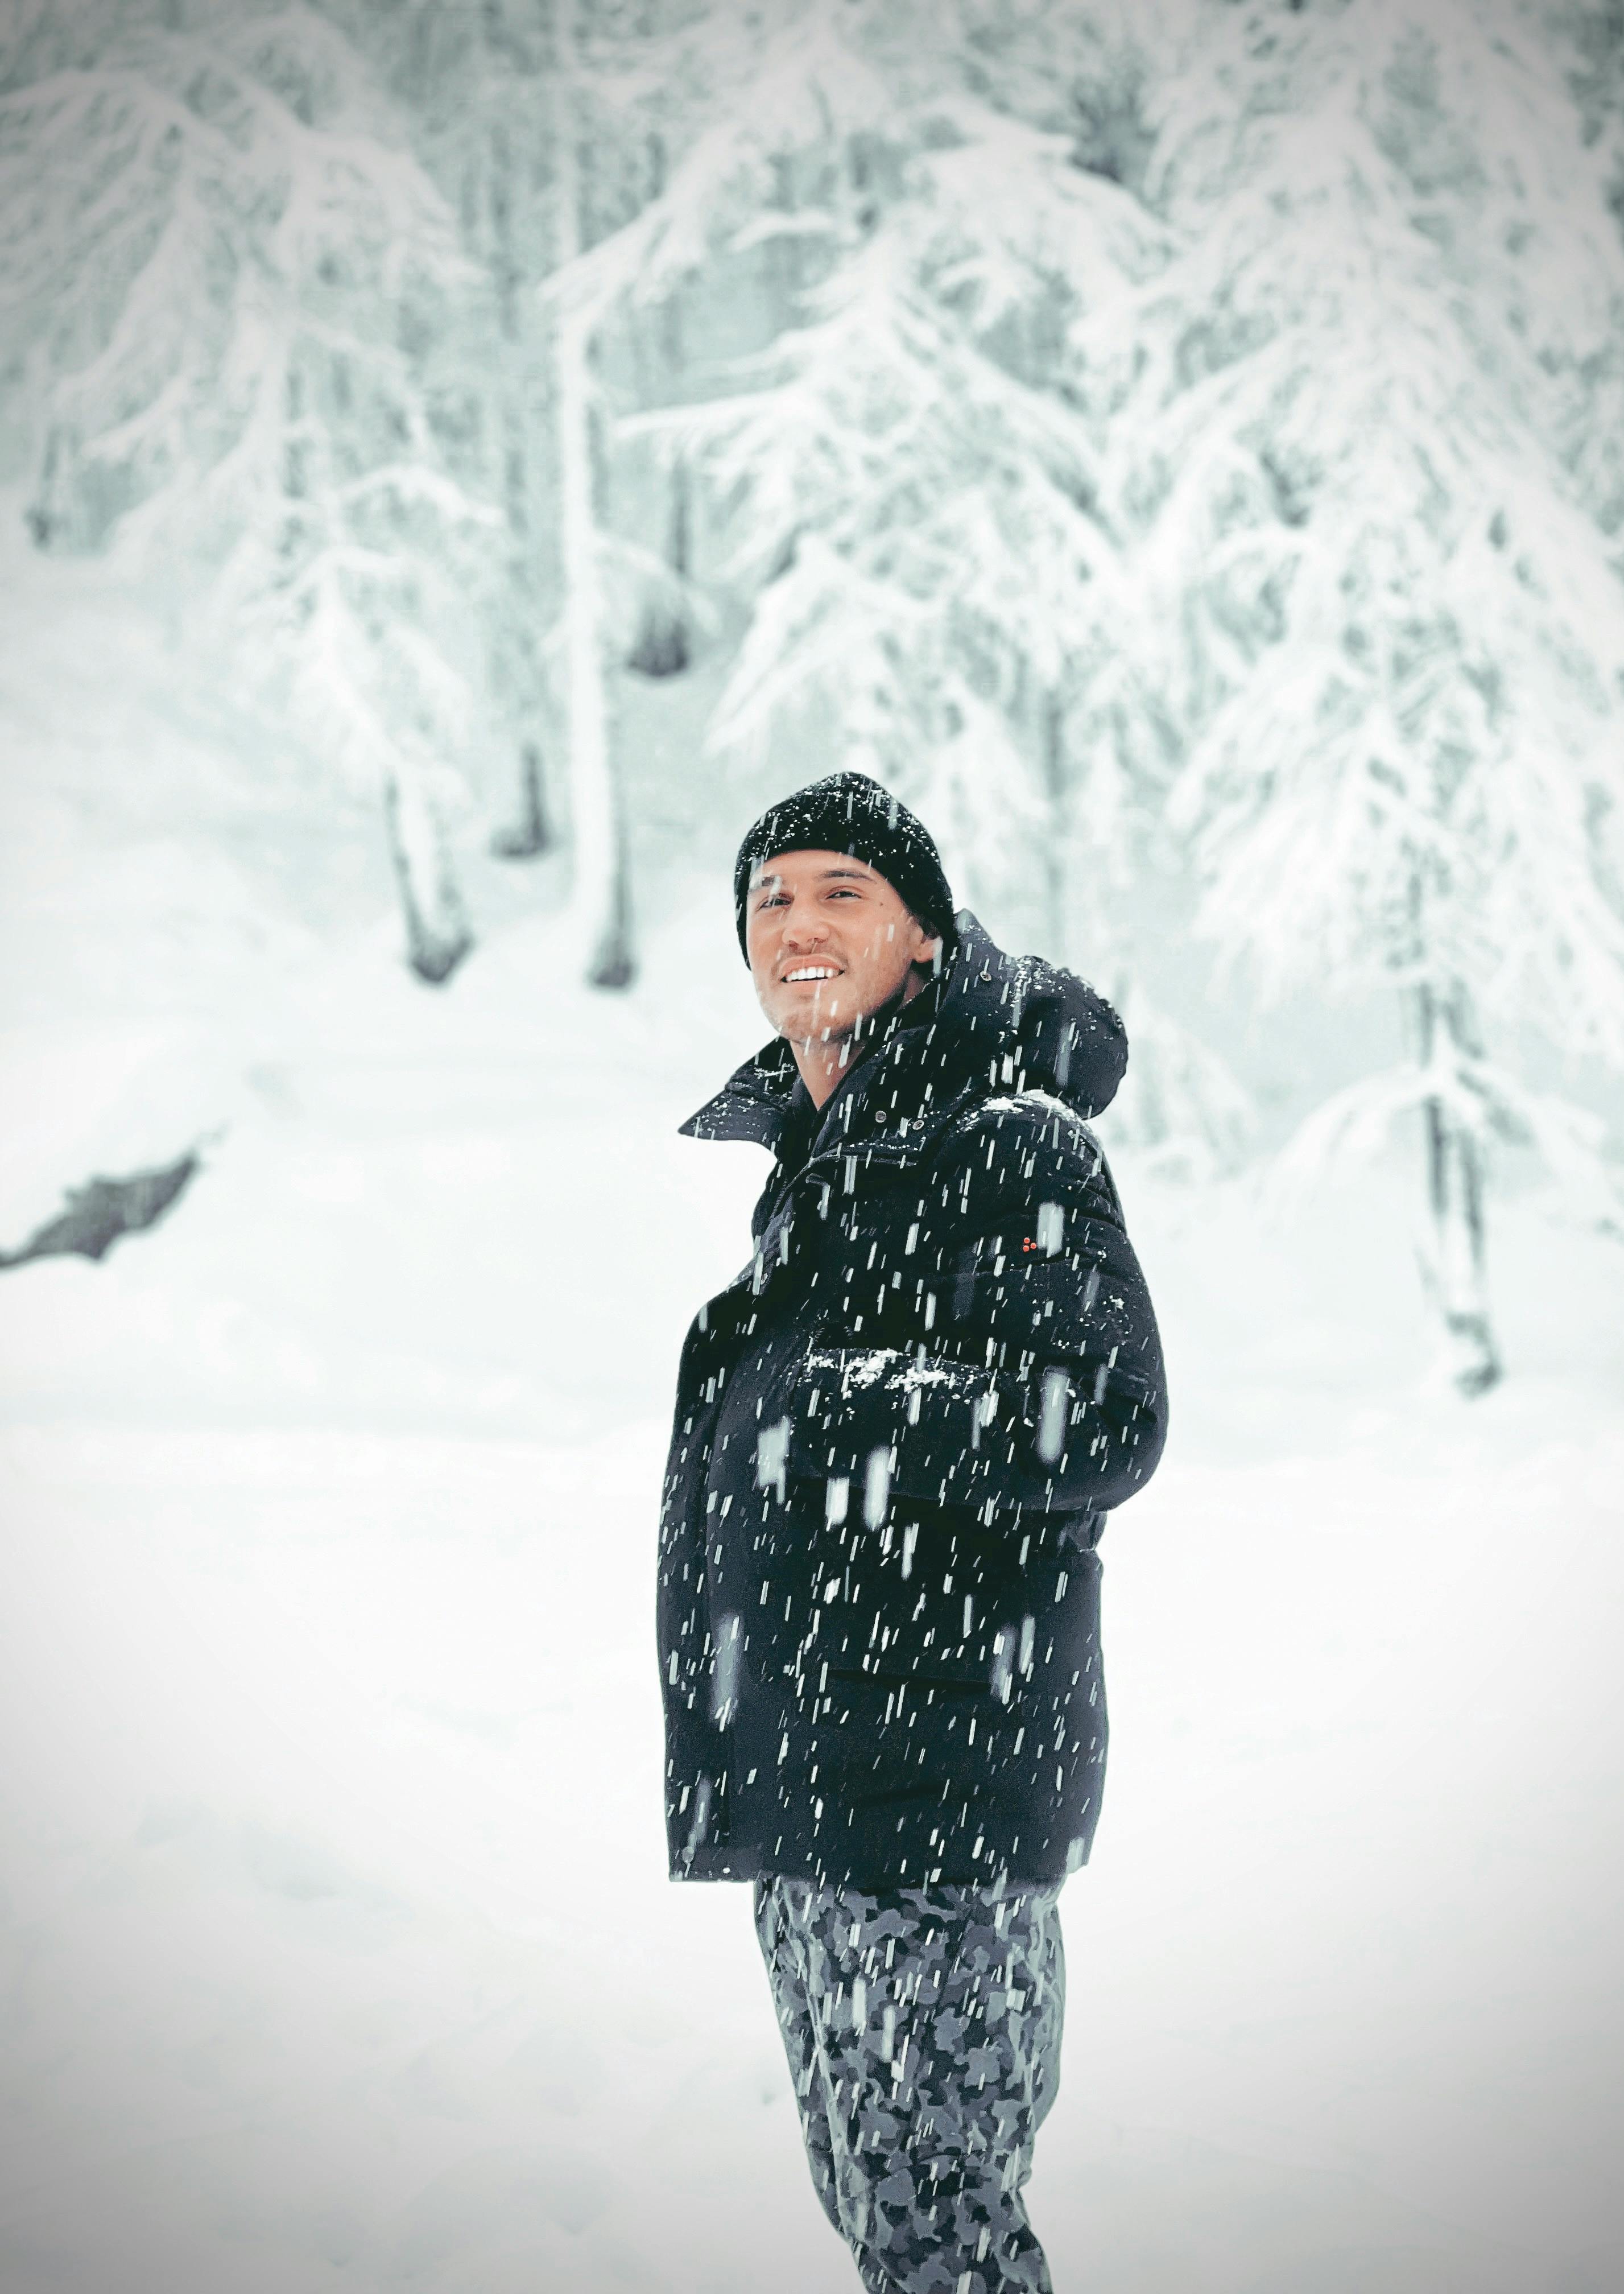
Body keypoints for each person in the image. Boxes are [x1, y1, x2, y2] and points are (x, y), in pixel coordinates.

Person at [657, 771, 1167, 2293]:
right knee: (881, 2215)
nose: (798, 924)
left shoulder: (1009, 1144)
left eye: (842, 894)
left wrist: (840, 1410)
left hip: (944, 1773)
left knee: (938, 2227)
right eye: (771, 899)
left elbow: (1103, 1414)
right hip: (815, 1780)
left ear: (926, 946)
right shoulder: (823, 1167)